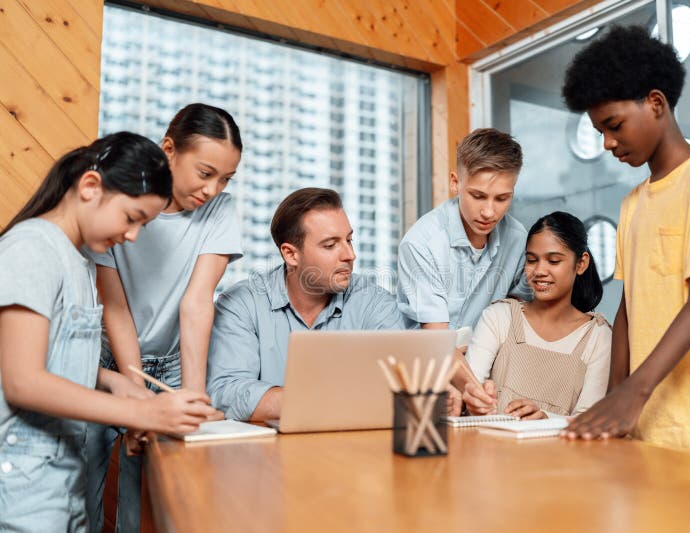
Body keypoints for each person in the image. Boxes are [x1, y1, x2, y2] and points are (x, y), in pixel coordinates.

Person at [559, 26, 690, 458]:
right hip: (648, 428)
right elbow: (628, 309)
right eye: (600, 131)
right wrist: (612, 400)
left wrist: (632, 393)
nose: (607, 143)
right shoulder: (633, 204)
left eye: (613, 125)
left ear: (655, 103)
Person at [0, 132, 219, 531]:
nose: (132, 236)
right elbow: (22, 380)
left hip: (59, 479)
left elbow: (53, 352)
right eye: (132, 218)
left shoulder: (80, 262)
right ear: (90, 187)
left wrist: (114, 382)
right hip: (19, 484)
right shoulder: (31, 250)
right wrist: (145, 410)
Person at [85, 103, 244, 532]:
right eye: (205, 172)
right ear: (169, 150)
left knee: (153, 500)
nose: (213, 189)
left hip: (173, 364)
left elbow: (196, 303)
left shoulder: (219, 210)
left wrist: (192, 398)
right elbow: (114, 307)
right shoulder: (120, 202)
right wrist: (137, 398)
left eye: (226, 178)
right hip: (107, 360)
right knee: (83, 495)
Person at [206, 187, 405, 421]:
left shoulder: (375, 303)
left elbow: (401, 386)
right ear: (291, 254)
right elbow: (227, 393)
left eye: (349, 240)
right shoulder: (241, 304)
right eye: (330, 245)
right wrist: (342, 399)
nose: (350, 255)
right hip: (268, 453)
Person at [453, 212, 611, 420]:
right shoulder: (500, 317)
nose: (539, 271)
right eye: (531, 260)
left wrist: (546, 418)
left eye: (553, 261)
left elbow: (589, 420)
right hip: (490, 448)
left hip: (559, 452)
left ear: (581, 264)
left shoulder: (598, 335)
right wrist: (474, 402)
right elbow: (469, 393)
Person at [396, 128, 530, 332]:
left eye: (502, 198)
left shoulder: (517, 237)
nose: (489, 212)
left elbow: (520, 311)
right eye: (478, 196)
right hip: (429, 359)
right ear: (455, 182)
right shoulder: (420, 244)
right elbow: (439, 341)